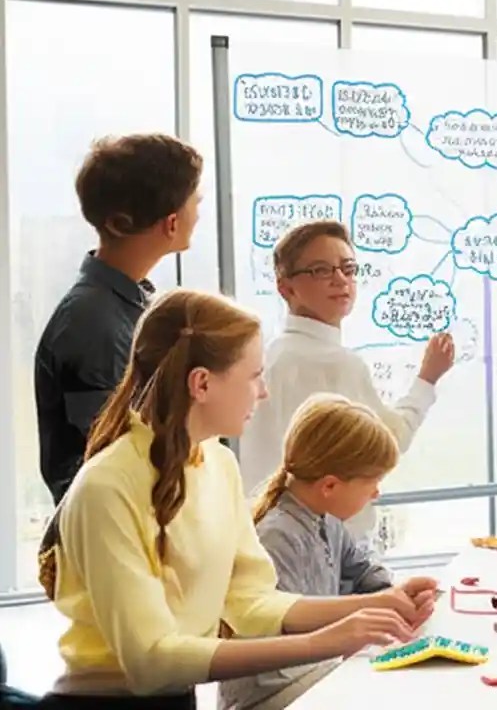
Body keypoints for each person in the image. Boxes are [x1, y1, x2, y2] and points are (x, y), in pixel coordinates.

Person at [35, 289, 435, 710]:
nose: (262, 393)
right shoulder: (106, 487)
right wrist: (323, 642)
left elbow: (252, 603)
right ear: (201, 383)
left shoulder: (217, 464)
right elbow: (151, 660)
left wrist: (377, 603)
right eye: (254, 376)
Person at [238, 221, 454, 546]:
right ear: (286, 288)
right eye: (320, 270)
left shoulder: (274, 355)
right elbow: (386, 445)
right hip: (329, 546)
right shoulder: (332, 363)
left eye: (348, 268)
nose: (340, 280)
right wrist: (427, 378)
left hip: (273, 538)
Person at [221, 394, 434, 710]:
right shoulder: (276, 536)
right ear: (330, 486)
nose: (376, 492)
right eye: (372, 482)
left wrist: (398, 595)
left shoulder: (326, 520)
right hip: (272, 694)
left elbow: (363, 573)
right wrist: (376, 608)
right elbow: (283, 631)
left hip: (312, 673)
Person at [36, 133, 202, 504]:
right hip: (109, 531)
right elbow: (113, 452)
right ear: (171, 222)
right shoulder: (93, 321)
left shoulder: (131, 303)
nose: (200, 209)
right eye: (196, 199)